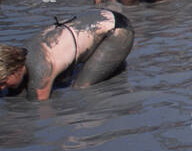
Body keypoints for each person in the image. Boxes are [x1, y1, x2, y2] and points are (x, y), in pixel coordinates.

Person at [0, 10, 135, 101]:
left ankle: (115, 67)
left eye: (3, 82)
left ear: (16, 68)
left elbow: (39, 111)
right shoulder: (22, 52)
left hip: (117, 31)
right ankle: (114, 65)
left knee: (81, 88)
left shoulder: (40, 69)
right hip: (100, 16)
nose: (1, 88)